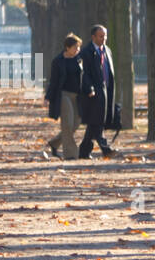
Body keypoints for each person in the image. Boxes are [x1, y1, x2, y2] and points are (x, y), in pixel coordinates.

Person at [79, 24, 116, 159]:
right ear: (93, 37)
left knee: (94, 123)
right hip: (93, 93)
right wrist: (89, 88)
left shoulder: (107, 50)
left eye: (105, 36)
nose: (104, 38)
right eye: (101, 36)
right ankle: (106, 148)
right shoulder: (85, 52)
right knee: (97, 122)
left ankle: (83, 151)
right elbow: (83, 74)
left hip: (107, 92)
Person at [44, 34, 83, 159]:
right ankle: (71, 154)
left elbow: (84, 78)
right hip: (63, 95)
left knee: (76, 123)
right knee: (67, 124)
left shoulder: (79, 60)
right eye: (75, 48)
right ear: (67, 47)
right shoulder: (58, 61)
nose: (78, 50)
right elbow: (54, 81)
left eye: (79, 48)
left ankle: (55, 143)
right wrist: (48, 97)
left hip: (77, 96)